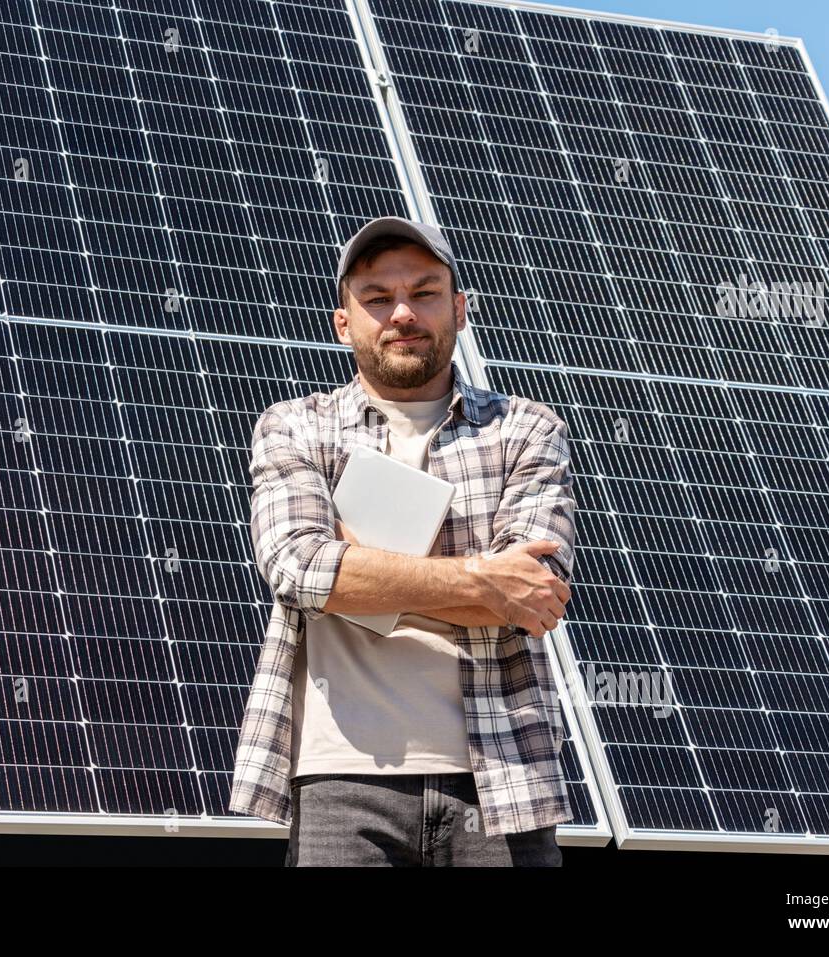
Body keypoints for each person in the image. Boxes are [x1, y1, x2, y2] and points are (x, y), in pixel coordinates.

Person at [228, 215, 576, 866]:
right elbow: (299, 569)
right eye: (378, 298)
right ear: (343, 322)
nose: (403, 313)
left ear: (460, 309)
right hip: (340, 781)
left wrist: (357, 572)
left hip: (502, 777)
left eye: (424, 292)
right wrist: (483, 580)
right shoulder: (296, 428)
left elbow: (534, 596)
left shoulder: (527, 430)